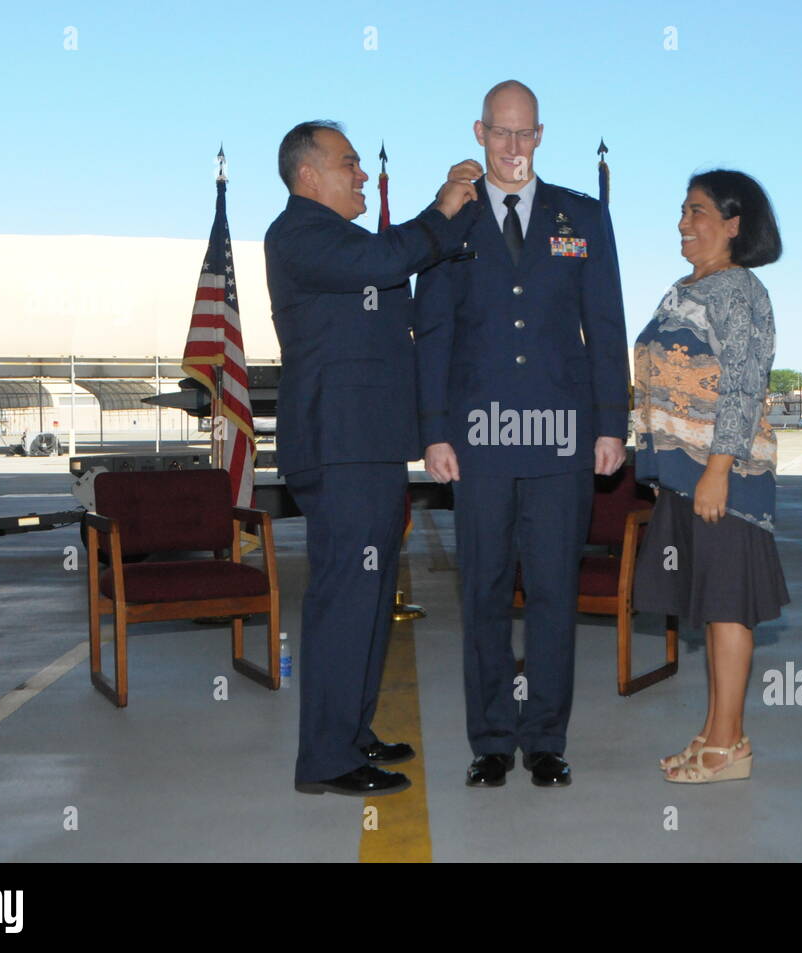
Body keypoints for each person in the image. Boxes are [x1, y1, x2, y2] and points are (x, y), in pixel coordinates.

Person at [414, 81, 629, 788]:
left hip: (562, 439)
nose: (511, 147)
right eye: (499, 133)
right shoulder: (455, 219)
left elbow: (605, 327)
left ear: (540, 134)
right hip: (477, 442)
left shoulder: (584, 216)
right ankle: (490, 738)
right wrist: (435, 431)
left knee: (550, 593)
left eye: (523, 133)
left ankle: (544, 737)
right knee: (481, 591)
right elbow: (435, 330)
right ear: (479, 132)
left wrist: (609, 425)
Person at [264, 120, 480, 796]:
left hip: (370, 446)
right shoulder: (298, 233)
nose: (363, 175)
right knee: (344, 601)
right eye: (350, 163)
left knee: (370, 597)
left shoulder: (341, 239)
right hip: (340, 445)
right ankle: (325, 760)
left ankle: (350, 734)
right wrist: (442, 211)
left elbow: (393, 280)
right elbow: (387, 262)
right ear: (309, 174)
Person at [631, 169, 791, 784]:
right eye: (683, 210)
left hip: (721, 473)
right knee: (710, 607)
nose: (683, 222)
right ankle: (715, 732)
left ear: (733, 224)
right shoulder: (685, 289)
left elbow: (744, 387)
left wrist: (718, 470)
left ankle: (729, 747)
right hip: (685, 472)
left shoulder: (739, 290)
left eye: (698, 211)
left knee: (728, 609)